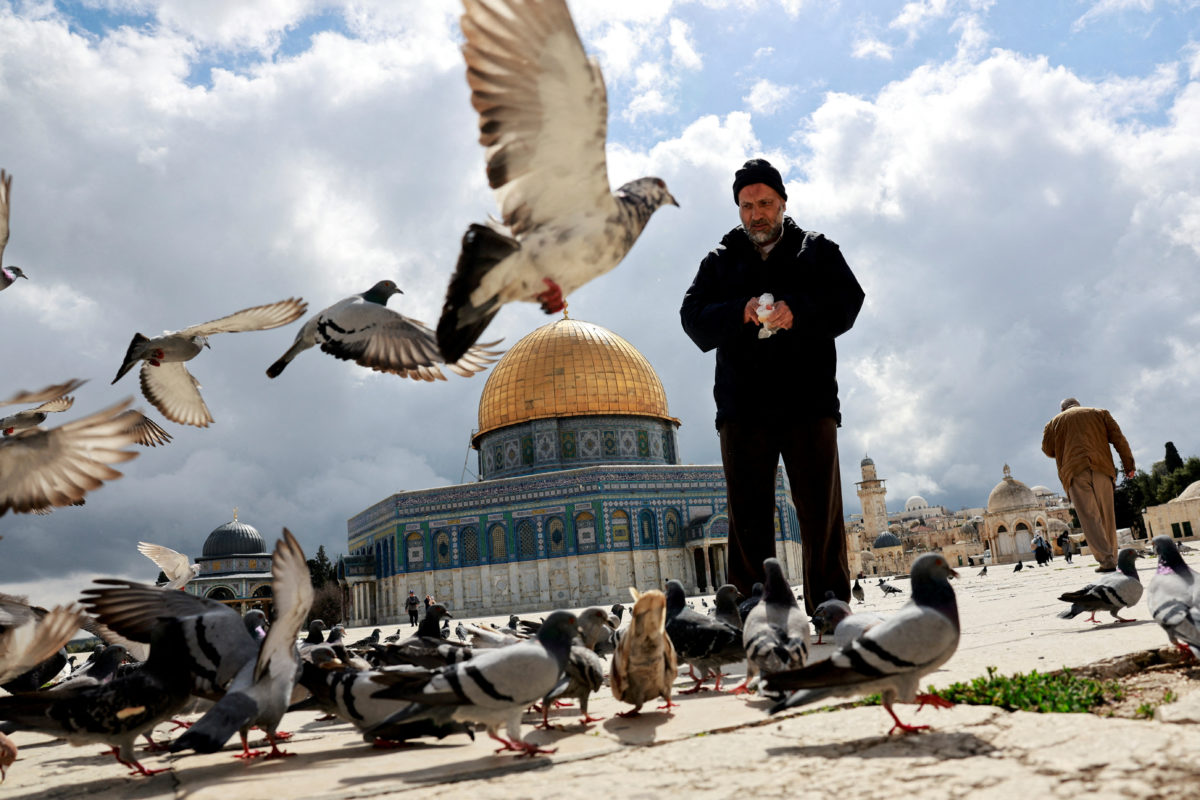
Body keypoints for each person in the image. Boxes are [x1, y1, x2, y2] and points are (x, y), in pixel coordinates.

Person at [680, 158, 865, 615]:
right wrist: (739, 311)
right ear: (738, 209)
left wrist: (795, 310)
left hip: (809, 400)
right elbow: (692, 317)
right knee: (747, 513)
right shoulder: (720, 262)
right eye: (747, 205)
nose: (756, 213)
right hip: (744, 408)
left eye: (765, 203)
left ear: (782, 202)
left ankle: (828, 602)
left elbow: (848, 301)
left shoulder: (817, 251)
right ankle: (755, 605)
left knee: (819, 509)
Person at [1041, 397, 1135, 573]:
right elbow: (1119, 440)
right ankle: (1113, 558)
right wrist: (1129, 465)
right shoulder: (1100, 413)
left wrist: (1065, 446)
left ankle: (1106, 561)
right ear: (1079, 404)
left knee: (1089, 518)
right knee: (1107, 516)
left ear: (1063, 410)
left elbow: (1048, 450)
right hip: (1102, 468)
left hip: (1074, 472)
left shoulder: (1053, 423)